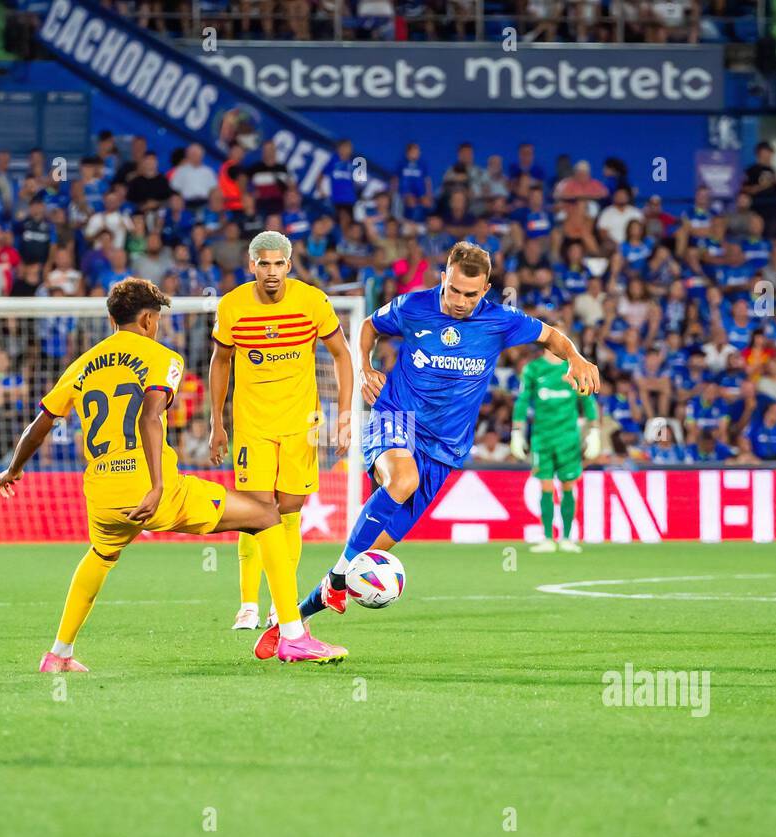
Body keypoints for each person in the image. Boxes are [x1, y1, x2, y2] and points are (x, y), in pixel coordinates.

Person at [0, 278, 346, 670]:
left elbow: (41, 423)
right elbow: (149, 416)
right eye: (157, 318)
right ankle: (294, 636)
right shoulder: (163, 358)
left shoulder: (82, 365)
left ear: (113, 319)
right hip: (158, 492)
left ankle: (59, 653)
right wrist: (157, 485)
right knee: (267, 516)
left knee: (100, 555)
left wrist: (13, 469)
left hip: (103, 497)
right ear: (147, 319)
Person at [296, 241, 600, 622]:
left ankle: (293, 617)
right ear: (444, 278)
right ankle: (339, 578)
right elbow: (369, 326)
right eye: (453, 289)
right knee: (402, 479)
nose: (459, 300)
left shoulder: (500, 320)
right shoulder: (413, 307)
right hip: (397, 417)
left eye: (470, 294)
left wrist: (576, 357)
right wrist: (365, 367)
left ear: (485, 290)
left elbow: (551, 335)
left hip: (444, 449)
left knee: (371, 553)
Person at [206, 232, 355, 642]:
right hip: (252, 425)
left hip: (300, 426)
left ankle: (281, 605)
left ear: (289, 265)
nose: (271, 272)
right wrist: (216, 422)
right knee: (254, 514)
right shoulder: (232, 305)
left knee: (289, 513)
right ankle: (248, 604)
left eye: (278, 264)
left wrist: (344, 416)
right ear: (251, 265)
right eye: (263, 263)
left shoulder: (312, 301)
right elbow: (220, 362)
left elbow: (342, 354)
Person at [510, 317, 600, 553]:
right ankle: (548, 537)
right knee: (546, 486)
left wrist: (594, 432)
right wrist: (517, 432)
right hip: (542, 437)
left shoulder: (574, 368)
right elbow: (521, 402)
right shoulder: (533, 369)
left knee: (569, 485)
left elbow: (588, 401)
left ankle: (568, 537)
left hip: (568, 438)